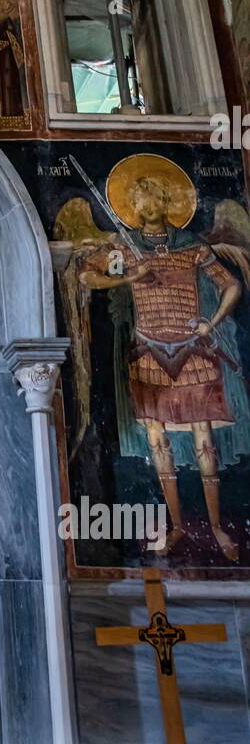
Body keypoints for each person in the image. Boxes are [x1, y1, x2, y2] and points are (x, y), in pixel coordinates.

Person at [80, 175, 245, 561]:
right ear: (134, 207)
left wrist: (212, 322)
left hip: (191, 349)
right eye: (142, 200)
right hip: (149, 350)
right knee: (158, 442)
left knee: (205, 441)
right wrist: (127, 276)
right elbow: (87, 275)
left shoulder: (190, 246)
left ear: (168, 201)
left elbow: (231, 285)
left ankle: (217, 527)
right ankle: (176, 527)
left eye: (155, 197)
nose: (149, 206)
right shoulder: (126, 245)